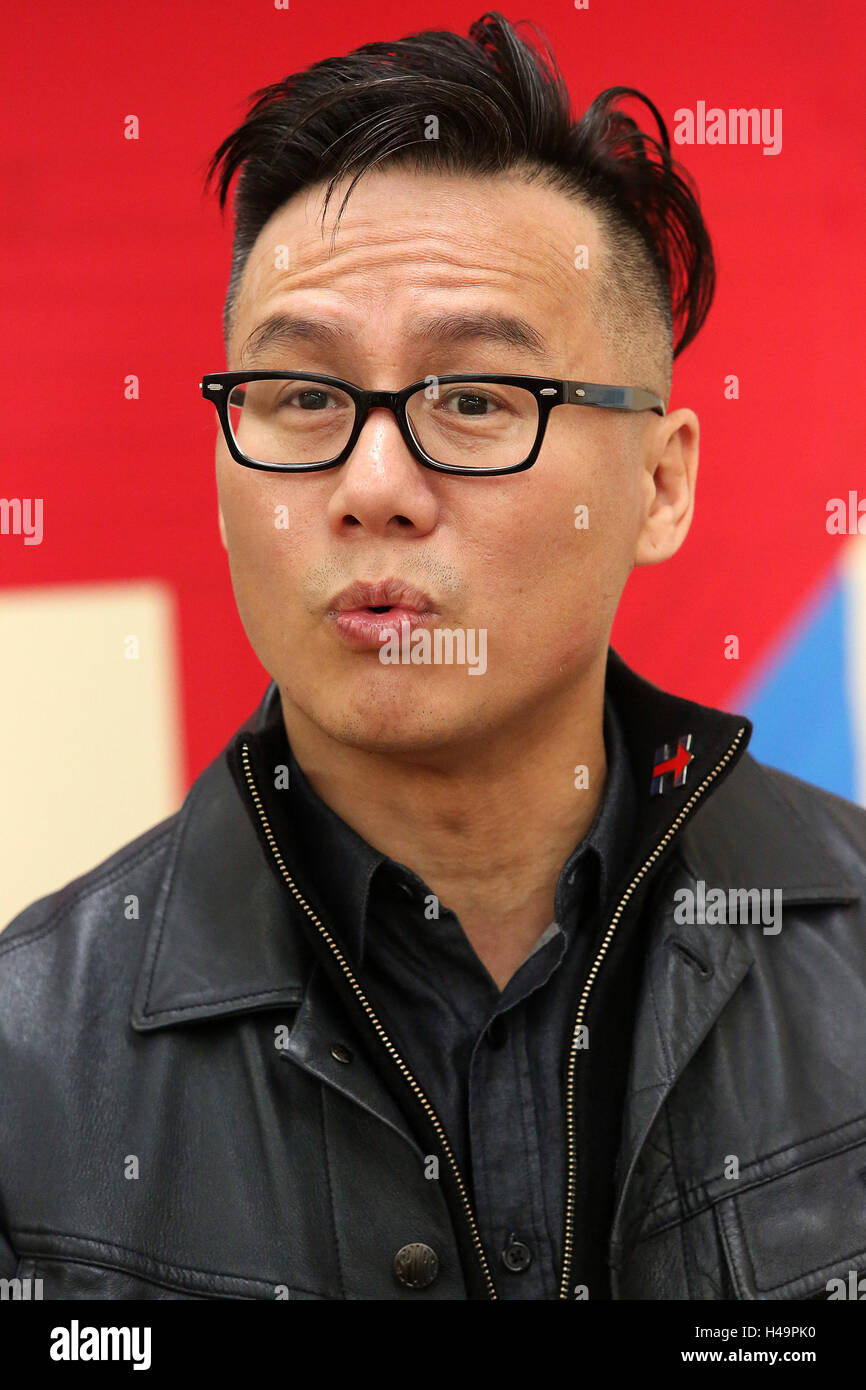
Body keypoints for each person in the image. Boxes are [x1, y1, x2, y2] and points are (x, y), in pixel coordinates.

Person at [2, 10, 865, 1302]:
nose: (372, 484)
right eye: (301, 397)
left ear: (660, 482)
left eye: (473, 398)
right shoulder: (29, 1061)